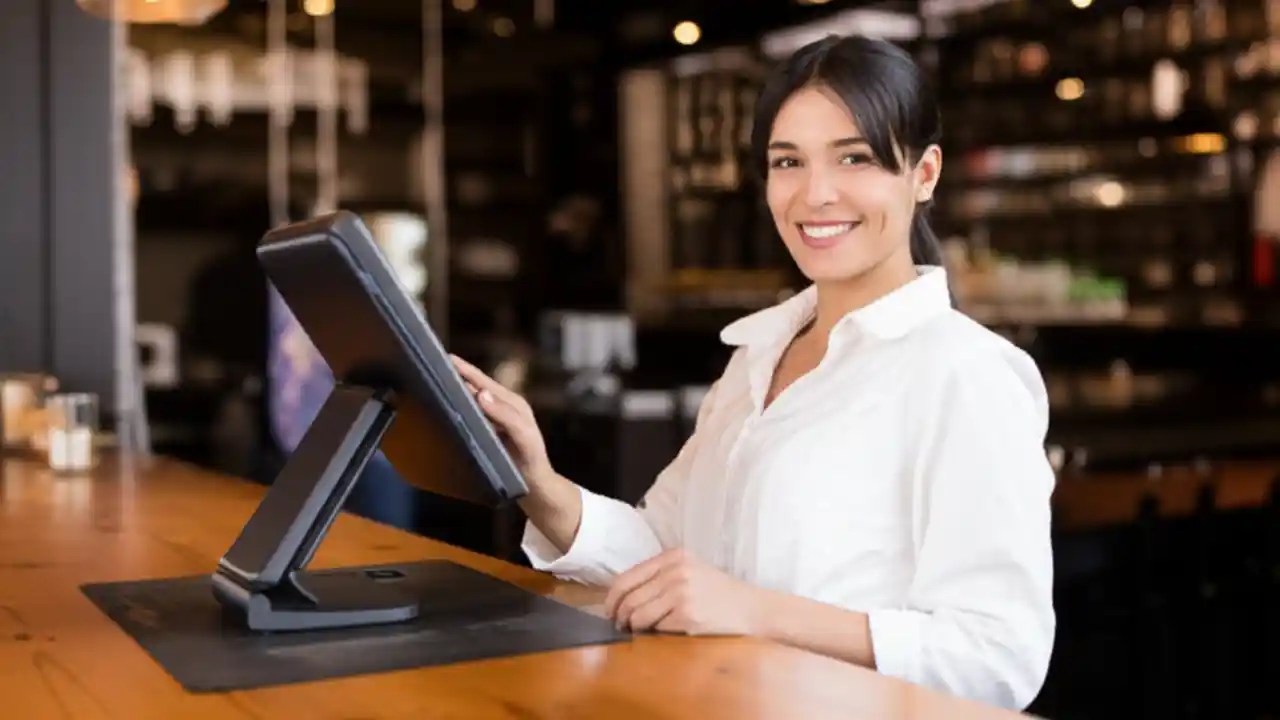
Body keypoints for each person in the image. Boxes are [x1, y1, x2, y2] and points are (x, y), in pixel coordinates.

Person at [451, 35, 1055, 711]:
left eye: (854, 157)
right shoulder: (756, 358)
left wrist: (754, 611)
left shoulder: (968, 375)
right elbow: (667, 558)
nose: (815, 194)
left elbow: (999, 657)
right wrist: (538, 482)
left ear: (924, 172)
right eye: (787, 161)